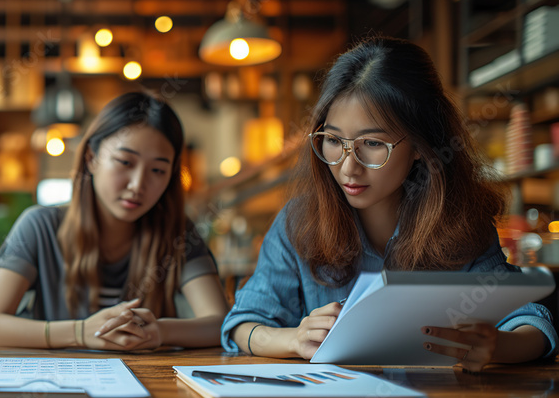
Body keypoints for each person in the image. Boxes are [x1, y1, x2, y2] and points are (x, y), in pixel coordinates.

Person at [221, 37, 556, 371]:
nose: (349, 167)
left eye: (372, 143)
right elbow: (243, 325)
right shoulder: (299, 223)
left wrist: (498, 346)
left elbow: (532, 323)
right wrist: (293, 339)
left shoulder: (461, 224)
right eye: (334, 141)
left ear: (421, 146)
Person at [0, 92, 227, 350]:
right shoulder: (40, 226)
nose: (137, 184)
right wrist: (80, 332)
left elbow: (221, 325)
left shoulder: (177, 232)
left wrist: (159, 332)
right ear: (91, 158)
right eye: (125, 162)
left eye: (158, 170)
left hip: (145, 383)